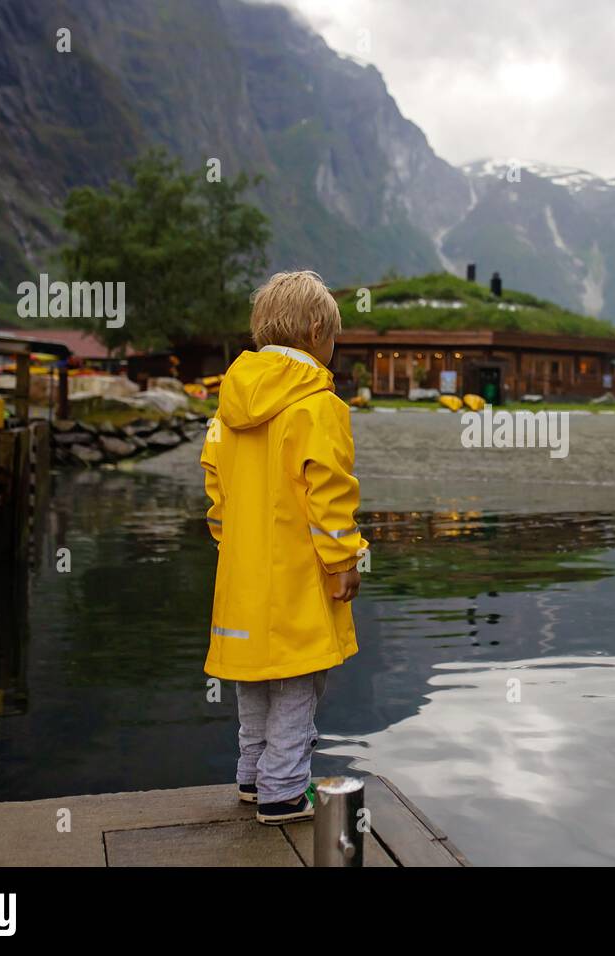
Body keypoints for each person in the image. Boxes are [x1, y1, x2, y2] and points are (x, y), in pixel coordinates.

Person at [201, 270, 368, 826]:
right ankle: (284, 791)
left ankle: (250, 778)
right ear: (317, 330)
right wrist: (344, 559)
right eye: (333, 338)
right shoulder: (318, 406)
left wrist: (235, 545)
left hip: (241, 577)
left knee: (253, 681)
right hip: (295, 578)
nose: (333, 350)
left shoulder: (229, 405)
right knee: (297, 682)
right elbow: (329, 493)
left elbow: (217, 492)